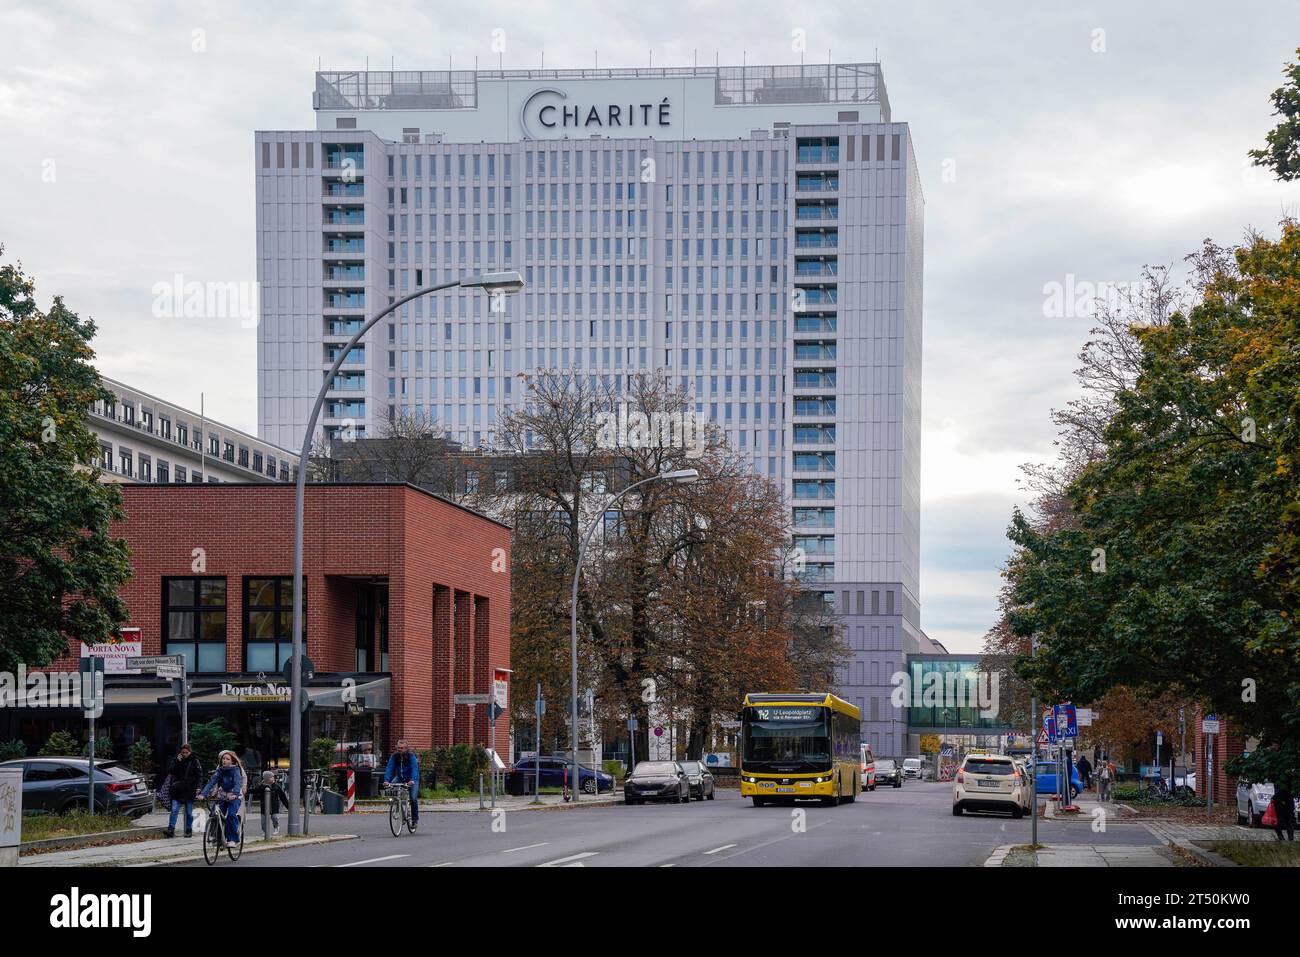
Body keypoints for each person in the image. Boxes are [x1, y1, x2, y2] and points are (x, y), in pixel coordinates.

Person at [201, 750, 246, 846]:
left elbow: (237, 783)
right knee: (214, 814)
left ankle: (233, 839)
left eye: (227, 759)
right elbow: (212, 782)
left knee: (231, 814)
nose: (224, 761)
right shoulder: (220, 770)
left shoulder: (236, 770)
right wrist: (203, 794)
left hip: (235, 796)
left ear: (232, 761)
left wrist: (235, 794)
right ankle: (217, 838)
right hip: (223, 795)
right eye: (223, 759)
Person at [160, 743, 202, 838]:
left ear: (190, 752)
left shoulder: (195, 761)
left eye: (186, 752)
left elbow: (199, 775)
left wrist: (199, 787)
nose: (184, 754)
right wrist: (177, 761)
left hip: (189, 790)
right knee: (174, 810)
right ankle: (171, 829)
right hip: (177, 790)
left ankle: (188, 830)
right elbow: (171, 771)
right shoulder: (177, 760)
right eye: (183, 752)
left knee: (189, 812)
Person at [383, 739, 420, 831]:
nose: (400, 749)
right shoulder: (395, 756)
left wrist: (412, 780)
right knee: (391, 787)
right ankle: (398, 806)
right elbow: (389, 767)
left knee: (413, 798)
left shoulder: (411, 756)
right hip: (400, 777)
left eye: (402, 748)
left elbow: (414, 768)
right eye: (398, 748)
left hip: (412, 779)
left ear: (406, 748)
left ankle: (414, 819)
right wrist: (386, 781)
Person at [248, 770, 290, 836]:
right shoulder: (262, 786)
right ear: (267, 779)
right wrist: (246, 791)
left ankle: (276, 827)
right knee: (263, 821)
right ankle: (264, 831)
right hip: (264, 806)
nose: (273, 778)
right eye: (271, 777)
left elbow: (283, 797)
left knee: (275, 818)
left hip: (274, 806)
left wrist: (288, 807)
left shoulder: (276, 786)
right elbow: (255, 791)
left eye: (273, 777)